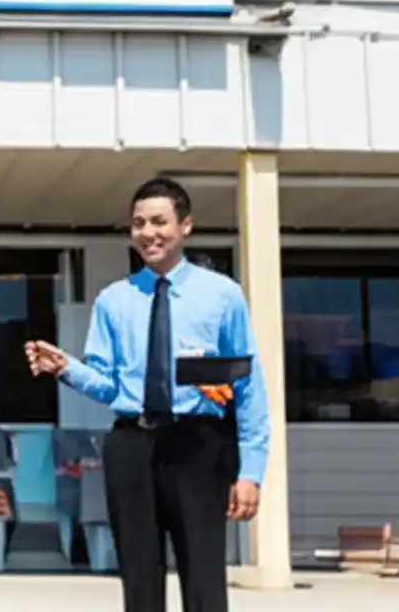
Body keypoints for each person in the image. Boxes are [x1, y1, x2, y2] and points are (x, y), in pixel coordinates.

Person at [25, 177, 270, 612]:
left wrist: (250, 470)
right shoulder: (114, 300)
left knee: (204, 578)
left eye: (159, 221)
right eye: (138, 223)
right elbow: (108, 384)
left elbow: (248, 386)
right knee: (138, 577)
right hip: (131, 444)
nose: (147, 233)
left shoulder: (223, 296)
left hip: (199, 444)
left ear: (186, 226)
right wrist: (67, 369)